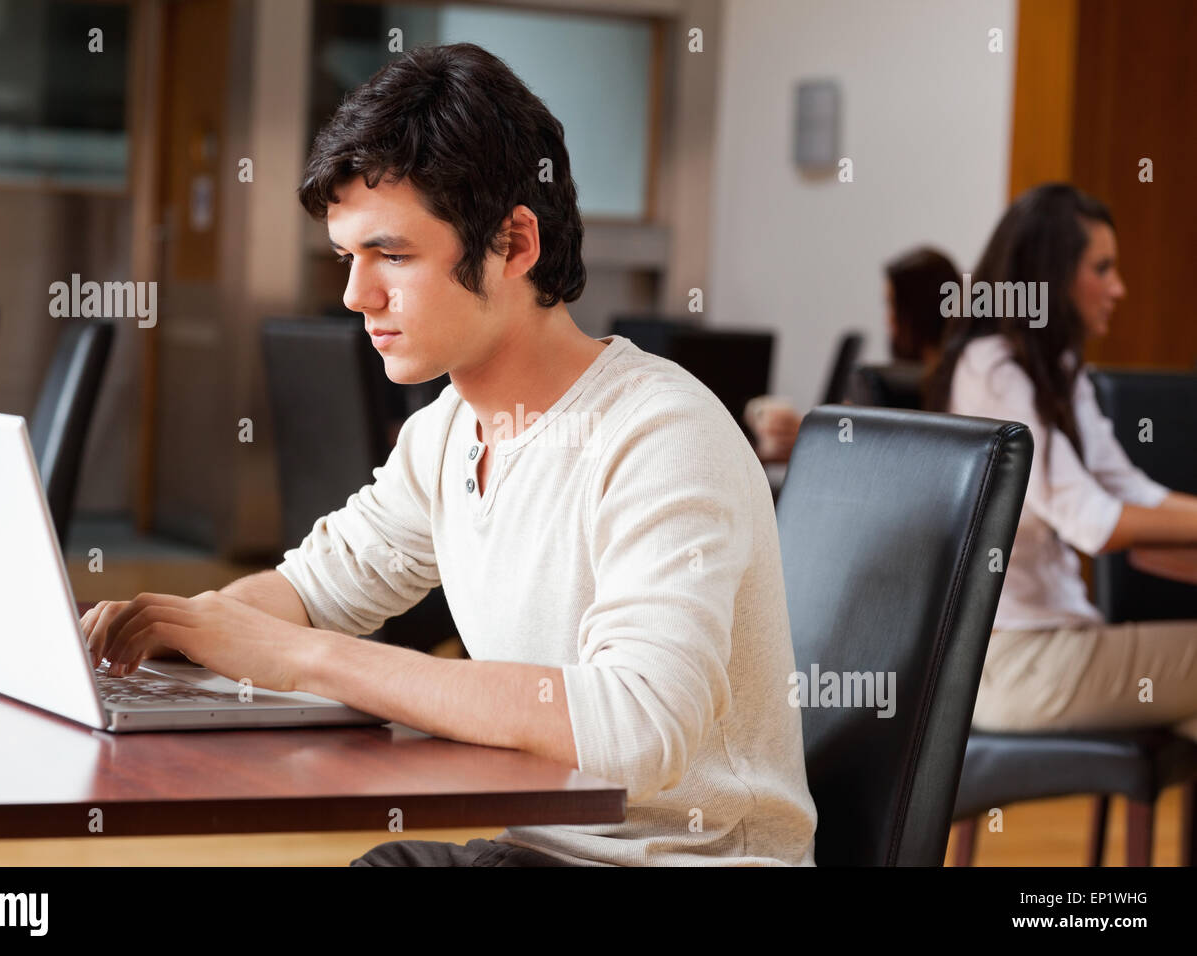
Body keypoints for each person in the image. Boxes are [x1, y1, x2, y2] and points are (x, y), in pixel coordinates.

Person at [80, 43, 817, 866]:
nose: (357, 296)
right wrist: (180, 628)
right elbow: (310, 594)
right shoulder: (446, 431)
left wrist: (308, 659)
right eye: (347, 259)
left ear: (513, 244)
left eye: (391, 255)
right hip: (540, 850)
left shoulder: (660, 433)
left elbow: (636, 729)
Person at [924, 182, 1197, 743]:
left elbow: (1132, 492)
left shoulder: (1059, 369)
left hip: (1056, 645)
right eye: (1103, 268)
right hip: (1012, 662)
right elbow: (1093, 521)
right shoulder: (992, 370)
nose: (1118, 289)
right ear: (1051, 275)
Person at [749, 246, 961, 462]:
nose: (888, 321)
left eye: (892, 306)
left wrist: (814, 438)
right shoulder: (896, 385)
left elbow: (883, 459)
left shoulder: (941, 389)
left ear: (917, 312)